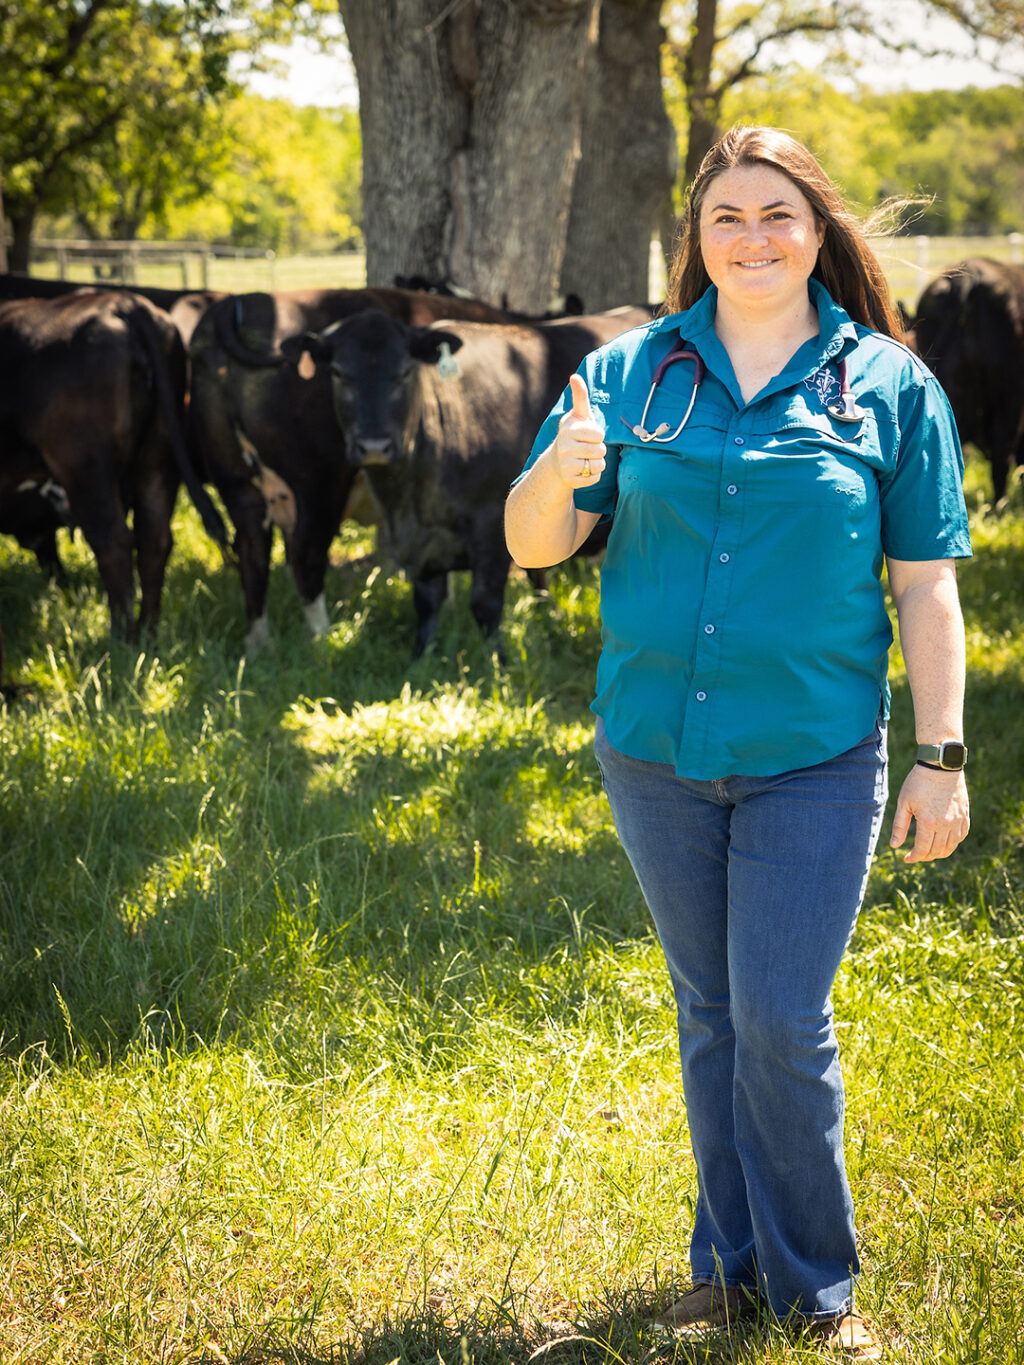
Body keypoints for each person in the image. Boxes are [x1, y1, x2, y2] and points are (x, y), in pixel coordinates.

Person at [505, 125, 970, 1359]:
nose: (752, 237)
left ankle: (815, 1291)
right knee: (710, 1010)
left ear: (817, 231)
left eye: (777, 214)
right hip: (652, 747)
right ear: (693, 240)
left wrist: (942, 754)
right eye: (727, 217)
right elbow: (533, 543)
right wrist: (556, 470)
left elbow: (924, 585)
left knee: (778, 1019)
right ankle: (725, 1267)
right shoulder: (628, 372)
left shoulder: (884, 385)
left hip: (812, 750)